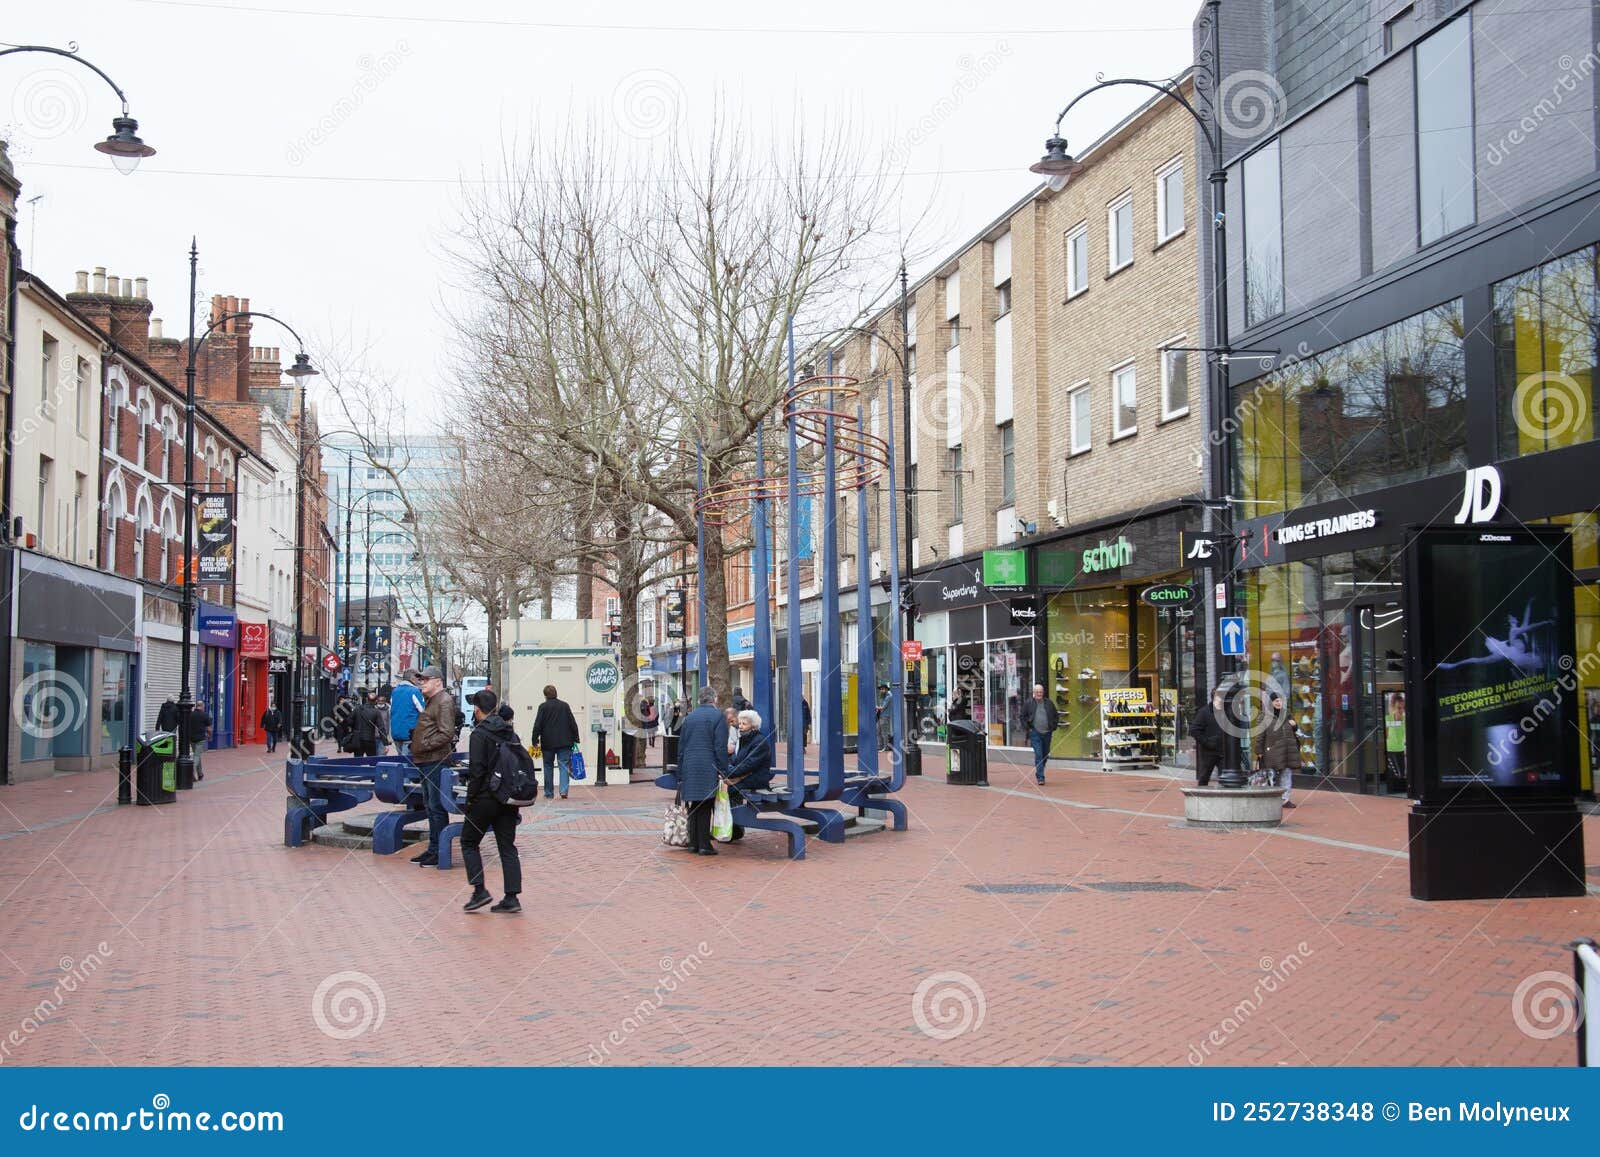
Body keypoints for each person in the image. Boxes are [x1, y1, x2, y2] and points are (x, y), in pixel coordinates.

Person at [460, 688, 523, 914]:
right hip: (508, 796)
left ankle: (479, 891)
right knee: (507, 846)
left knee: (468, 841)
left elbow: (477, 771)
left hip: (486, 797)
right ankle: (512, 897)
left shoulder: (479, 734)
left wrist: (470, 800)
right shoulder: (509, 731)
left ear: (477, 710)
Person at [408, 666, 459, 865]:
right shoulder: (433, 701)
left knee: (436, 806)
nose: (422, 683)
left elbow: (447, 733)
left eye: (426, 679)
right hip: (426, 760)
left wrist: (424, 745)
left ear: (438, 681)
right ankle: (433, 848)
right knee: (430, 806)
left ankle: (439, 851)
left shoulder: (443, 701)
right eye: (420, 680)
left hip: (434, 760)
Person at [675, 686, 730, 855]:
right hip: (708, 765)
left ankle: (694, 843)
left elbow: (681, 746)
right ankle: (705, 845)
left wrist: (680, 772)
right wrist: (723, 769)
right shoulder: (718, 717)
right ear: (714, 699)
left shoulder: (689, 718)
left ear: (700, 699)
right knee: (706, 804)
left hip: (690, 765)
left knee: (694, 804)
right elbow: (720, 747)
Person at [527, 683, 580, 801]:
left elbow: (537, 725)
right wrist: (576, 737)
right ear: (556, 693)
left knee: (548, 766)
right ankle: (563, 791)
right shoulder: (565, 706)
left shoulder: (543, 707)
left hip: (548, 743)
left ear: (545, 695)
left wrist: (534, 740)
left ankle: (549, 792)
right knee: (564, 766)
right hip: (565, 742)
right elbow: (572, 723)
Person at [1257, 690, 1302, 809]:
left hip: (1287, 750)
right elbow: (1260, 736)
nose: (1279, 703)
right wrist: (1259, 751)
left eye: (1281, 700)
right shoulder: (1265, 716)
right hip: (1272, 751)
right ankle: (1270, 798)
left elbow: (1293, 730)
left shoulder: (1287, 714)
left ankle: (1285, 800)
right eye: (1276, 700)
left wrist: (1295, 725)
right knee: (1271, 775)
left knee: (1286, 774)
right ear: (1271, 702)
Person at [1188, 686, 1228, 787]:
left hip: (1224, 750)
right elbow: (1194, 730)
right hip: (1208, 751)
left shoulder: (1227, 711)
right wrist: (1207, 742)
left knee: (1225, 777)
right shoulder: (1204, 712)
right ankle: (1201, 797)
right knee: (1204, 776)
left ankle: (1224, 797)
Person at [1024, 683, 1060, 786]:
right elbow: (1022, 716)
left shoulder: (1049, 703)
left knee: (1045, 754)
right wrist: (1028, 729)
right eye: (1037, 692)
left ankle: (1040, 769)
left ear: (1043, 693)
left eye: (1040, 692)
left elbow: (1055, 715)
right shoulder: (1029, 703)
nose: (1039, 694)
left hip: (1047, 733)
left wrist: (1053, 726)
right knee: (1039, 754)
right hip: (1035, 733)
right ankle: (1040, 777)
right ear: (1034, 693)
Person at [389, 670, 424, 759]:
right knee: (407, 763)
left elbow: (391, 709)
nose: (419, 681)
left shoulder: (395, 691)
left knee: (400, 760)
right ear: (412, 678)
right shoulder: (415, 691)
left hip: (395, 732)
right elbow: (424, 711)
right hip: (409, 732)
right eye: (418, 678)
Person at [352, 692, 383, 758]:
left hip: (358, 739)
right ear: (376, 701)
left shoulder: (357, 709)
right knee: (372, 761)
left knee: (357, 761)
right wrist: (385, 743)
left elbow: (349, 721)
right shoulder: (376, 712)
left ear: (366, 699)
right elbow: (381, 727)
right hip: (370, 739)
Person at [189, 703, 211, 781]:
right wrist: (209, 736)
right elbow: (209, 728)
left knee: (197, 755)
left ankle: (200, 774)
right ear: (202, 706)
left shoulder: (190, 714)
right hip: (200, 739)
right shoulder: (205, 715)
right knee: (197, 756)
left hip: (191, 738)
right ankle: (191, 772)